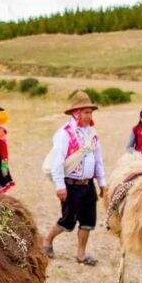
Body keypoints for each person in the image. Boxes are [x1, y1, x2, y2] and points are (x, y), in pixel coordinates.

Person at [42, 91, 106, 266]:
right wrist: (60, 186)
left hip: (88, 184)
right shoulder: (64, 134)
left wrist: (102, 183)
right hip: (71, 184)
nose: (89, 116)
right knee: (68, 220)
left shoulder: (92, 134)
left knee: (88, 220)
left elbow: (98, 160)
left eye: (90, 112)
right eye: (86, 112)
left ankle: (81, 254)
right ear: (75, 113)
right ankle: (47, 240)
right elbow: (58, 162)